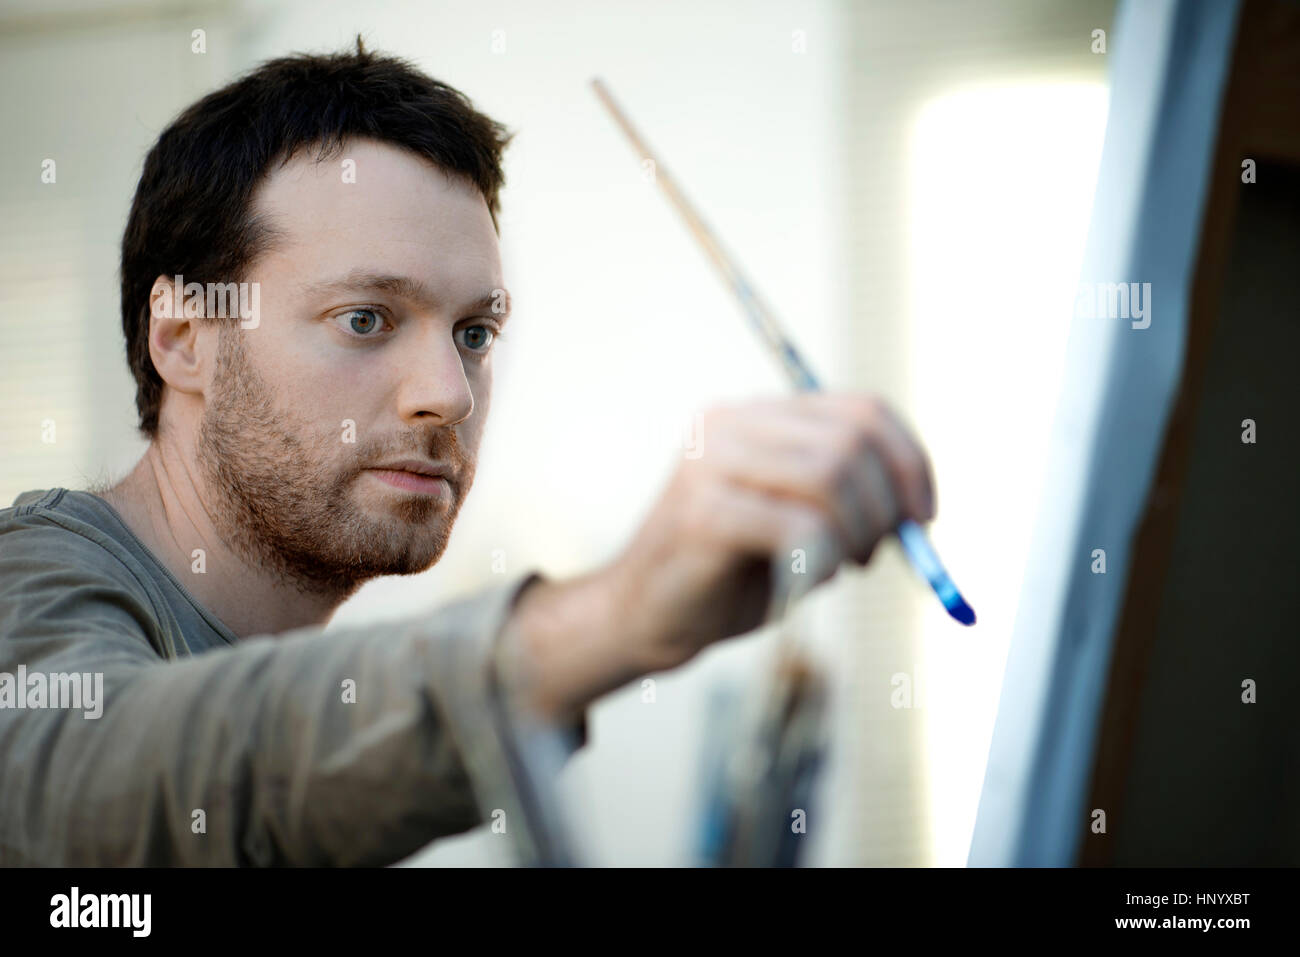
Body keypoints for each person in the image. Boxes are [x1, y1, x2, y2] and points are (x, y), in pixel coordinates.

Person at [0, 40, 936, 865]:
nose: (447, 392)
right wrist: (616, 614)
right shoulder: (29, 578)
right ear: (183, 336)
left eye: (475, 332)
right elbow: (109, 788)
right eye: (364, 318)